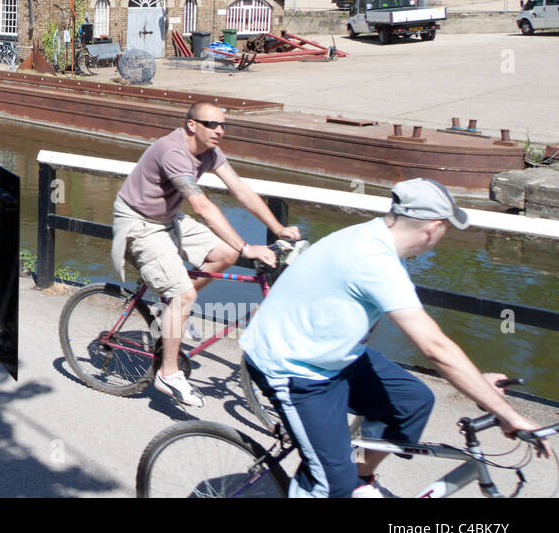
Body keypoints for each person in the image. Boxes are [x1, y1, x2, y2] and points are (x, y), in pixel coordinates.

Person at [241, 178, 547, 497]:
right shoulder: (374, 260)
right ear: (434, 229)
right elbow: (435, 347)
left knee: (413, 401)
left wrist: (475, 381)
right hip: (294, 368)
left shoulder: (379, 237)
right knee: (332, 485)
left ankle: (359, 473)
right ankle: (332, 480)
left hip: (334, 353)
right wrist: (505, 413)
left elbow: (429, 336)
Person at [110, 101, 300, 407]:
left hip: (168, 218)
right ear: (192, 125)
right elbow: (202, 207)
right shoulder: (172, 151)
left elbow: (239, 189)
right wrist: (246, 247)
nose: (220, 131)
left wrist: (278, 229)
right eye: (212, 124)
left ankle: (172, 307)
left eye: (224, 125)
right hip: (138, 223)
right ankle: (168, 373)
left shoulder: (210, 152)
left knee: (224, 255)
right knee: (186, 294)